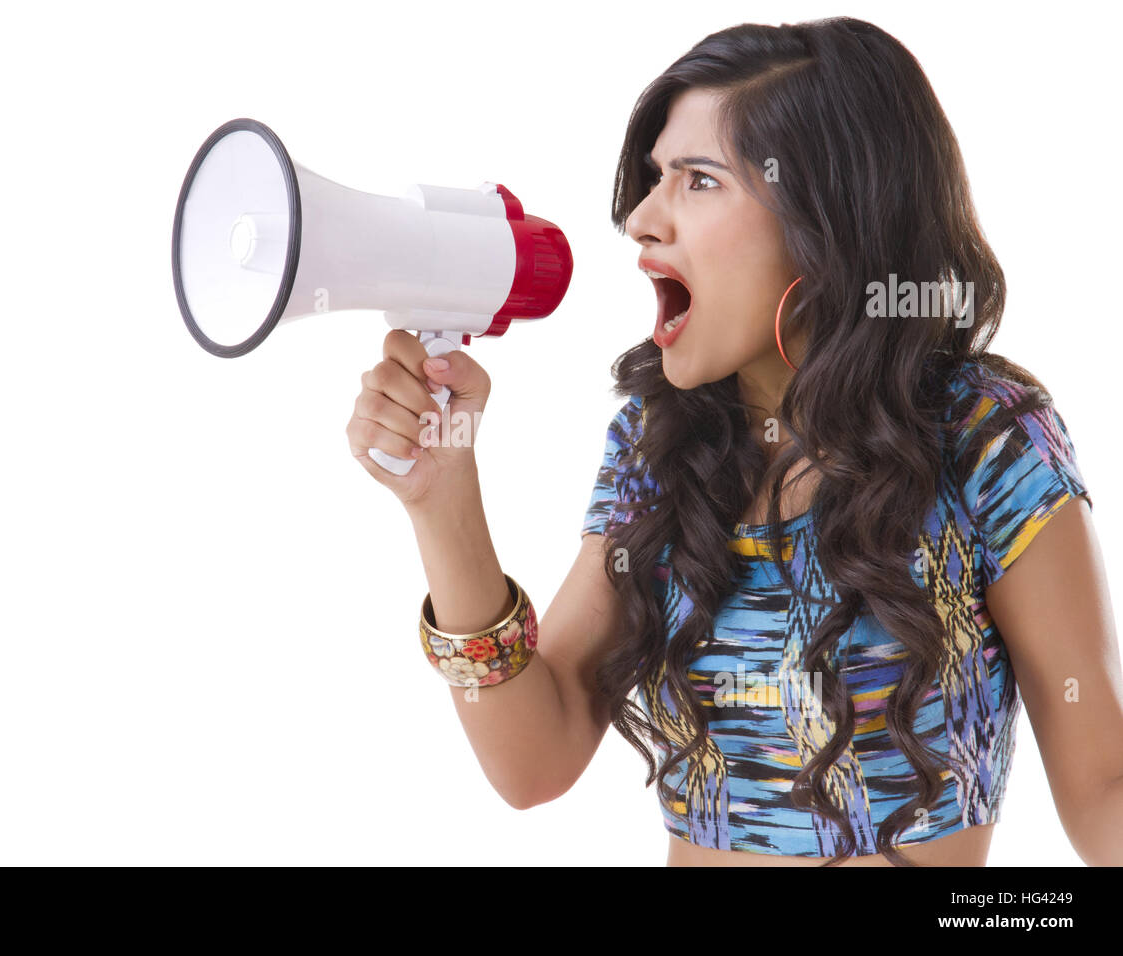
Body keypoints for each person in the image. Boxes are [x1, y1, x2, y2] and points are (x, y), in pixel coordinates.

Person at [344, 17, 1122, 866]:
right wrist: (442, 497)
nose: (640, 218)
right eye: (652, 179)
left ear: (831, 221)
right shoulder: (658, 443)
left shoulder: (986, 440)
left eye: (698, 180)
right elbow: (535, 758)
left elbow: (1102, 790)